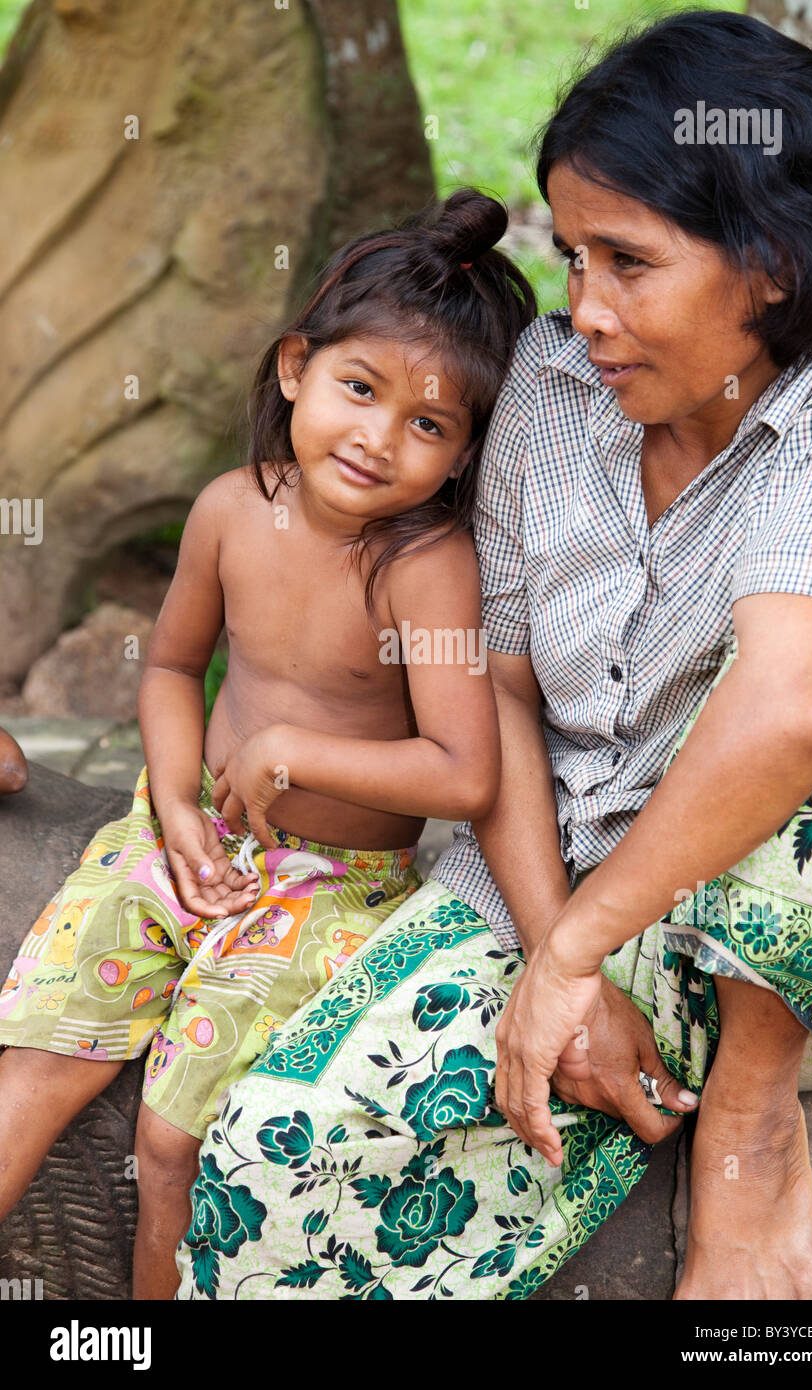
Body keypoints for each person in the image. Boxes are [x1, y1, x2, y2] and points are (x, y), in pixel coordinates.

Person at [175, 9, 812, 1301]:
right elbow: (493, 687)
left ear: (768, 264)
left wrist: (566, 962)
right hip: (549, 889)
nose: (584, 310)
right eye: (571, 258)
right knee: (264, 1172)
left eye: (627, 262)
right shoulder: (545, 398)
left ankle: (752, 1122)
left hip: (788, 937)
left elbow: (799, 707)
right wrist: (560, 951)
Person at [0, 187, 537, 1298]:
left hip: (328, 886)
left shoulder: (422, 565)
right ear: (295, 366)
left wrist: (296, 751)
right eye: (357, 388)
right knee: (39, 1061)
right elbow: (164, 668)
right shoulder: (230, 510)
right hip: (181, 838)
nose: (378, 438)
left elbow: (466, 773)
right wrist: (177, 800)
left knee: (168, 1140)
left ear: (465, 451)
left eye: (428, 424)